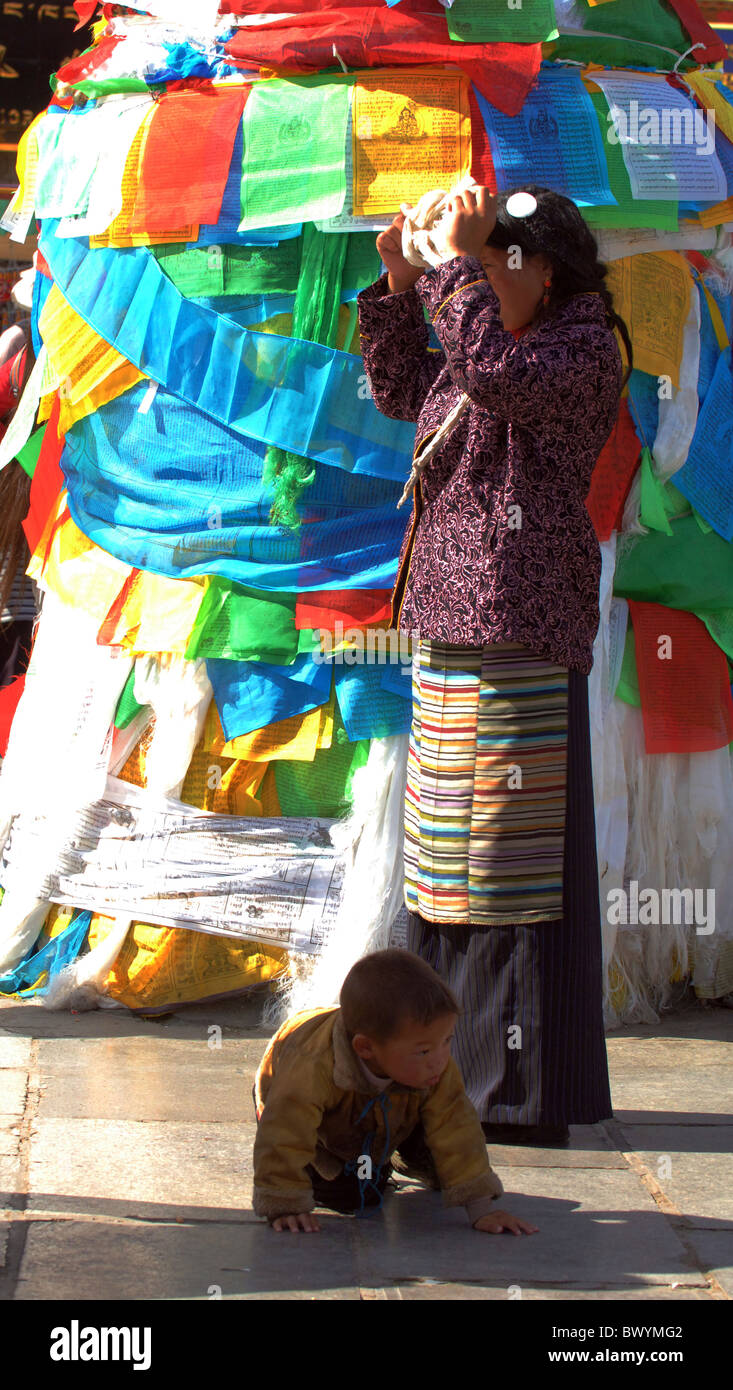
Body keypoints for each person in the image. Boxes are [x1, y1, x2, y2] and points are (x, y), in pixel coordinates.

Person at [356, 186, 632, 1145]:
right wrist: (401, 283)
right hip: (453, 625)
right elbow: (404, 392)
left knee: (507, 864)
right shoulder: (490, 345)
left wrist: (454, 268)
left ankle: (513, 1090)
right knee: (448, 861)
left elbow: (485, 366)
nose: (478, 274)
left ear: (541, 272)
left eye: (500, 257)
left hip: (517, 623)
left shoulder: (577, 350)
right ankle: (442, 1071)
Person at [252, 947, 537, 1235]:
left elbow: (457, 1125)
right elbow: (283, 1134)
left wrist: (481, 1209)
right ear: (365, 1049)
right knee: (350, 1196)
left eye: (447, 1040)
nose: (440, 1059)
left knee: (447, 1172)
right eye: (424, 1050)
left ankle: (397, 1154)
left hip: (389, 1103)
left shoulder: (431, 1064)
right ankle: (369, 1161)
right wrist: (284, 1202)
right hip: (311, 1122)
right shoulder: (310, 1068)